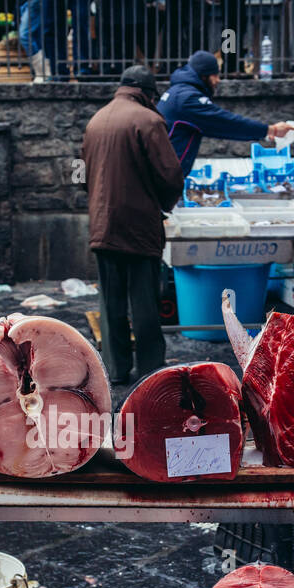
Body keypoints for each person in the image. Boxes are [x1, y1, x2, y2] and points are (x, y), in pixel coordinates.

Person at [82, 65, 184, 384]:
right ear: (147, 94)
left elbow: (84, 175)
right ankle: (151, 370)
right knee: (144, 304)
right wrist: (163, 205)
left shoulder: (96, 120)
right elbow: (170, 176)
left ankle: (115, 369)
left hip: (103, 226)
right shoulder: (149, 121)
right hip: (139, 227)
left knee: (111, 303)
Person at [158, 50, 293, 174]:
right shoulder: (187, 99)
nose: (218, 80)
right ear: (204, 75)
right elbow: (226, 123)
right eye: (215, 75)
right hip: (164, 174)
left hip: (162, 169)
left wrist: (264, 132)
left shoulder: (178, 92)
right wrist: (270, 130)